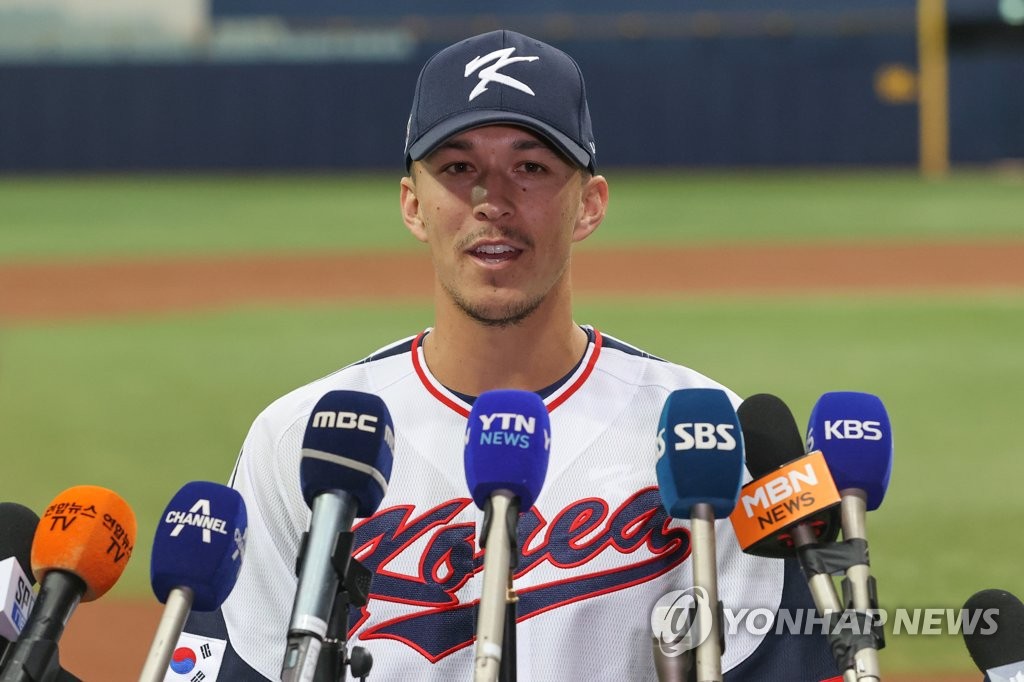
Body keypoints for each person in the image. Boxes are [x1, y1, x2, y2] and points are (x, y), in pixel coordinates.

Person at [176, 29, 841, 681]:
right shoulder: (300, 441)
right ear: (413, 205)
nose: (492, 202)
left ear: (590, 205)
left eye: (531, 168)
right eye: (459, 168)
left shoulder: (709, 433)